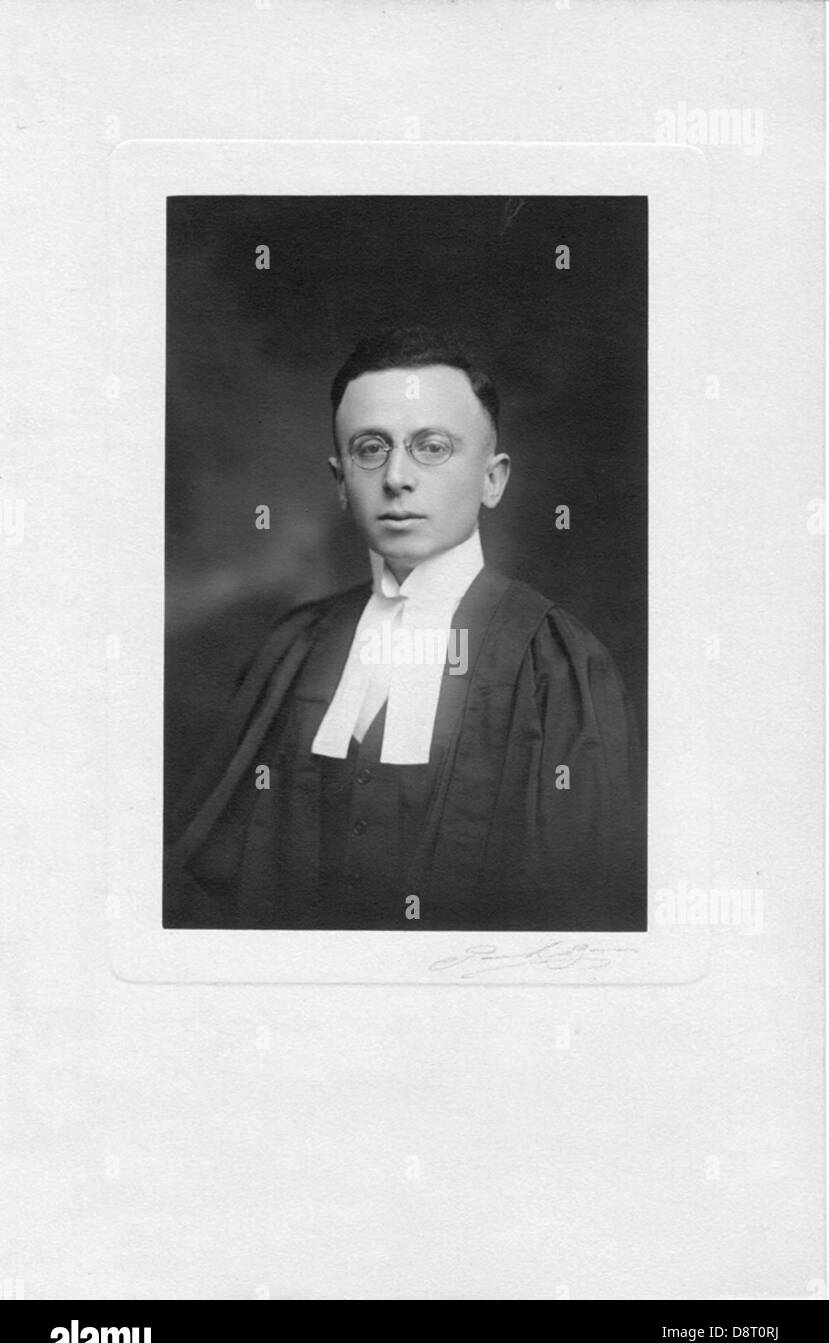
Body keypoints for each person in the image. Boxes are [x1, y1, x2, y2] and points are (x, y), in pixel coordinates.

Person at [164, 325, 645, 931]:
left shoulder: (557, 664)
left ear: (492, 480)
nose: (396, 477)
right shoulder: (292, 648)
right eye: (371, 448)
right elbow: (210, 876)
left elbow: (585, 907)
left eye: (432, 447)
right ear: (342, 483)